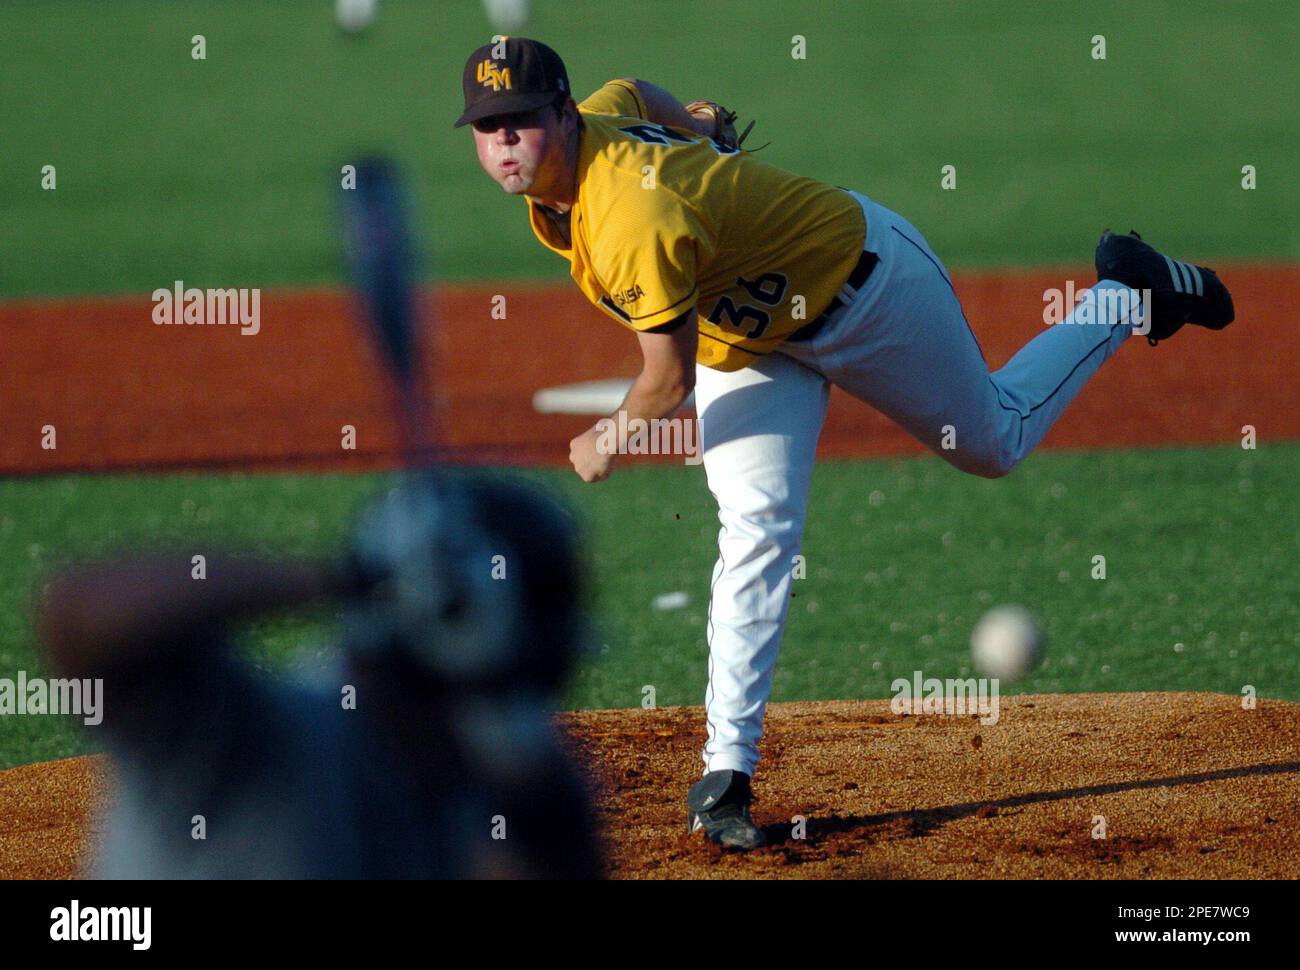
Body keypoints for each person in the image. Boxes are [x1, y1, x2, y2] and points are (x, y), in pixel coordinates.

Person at [456, 37, 1236, 850]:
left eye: (520, 120)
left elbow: (665, 379)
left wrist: (609, 440)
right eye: (487, 126)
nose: (504, 141)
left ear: (560, 113)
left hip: (865, 291)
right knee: (756, 528)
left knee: (995, 440)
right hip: (751, 341)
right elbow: (633, 90)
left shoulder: (632, 216)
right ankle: (725, 774)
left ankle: (1126, 292)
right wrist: (697, 121)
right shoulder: (583, 140)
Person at [36, 472, 604, 878]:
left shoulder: (487, 790)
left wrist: (546, 810)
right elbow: (77, 617)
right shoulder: (245, 743)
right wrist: (342, 578)